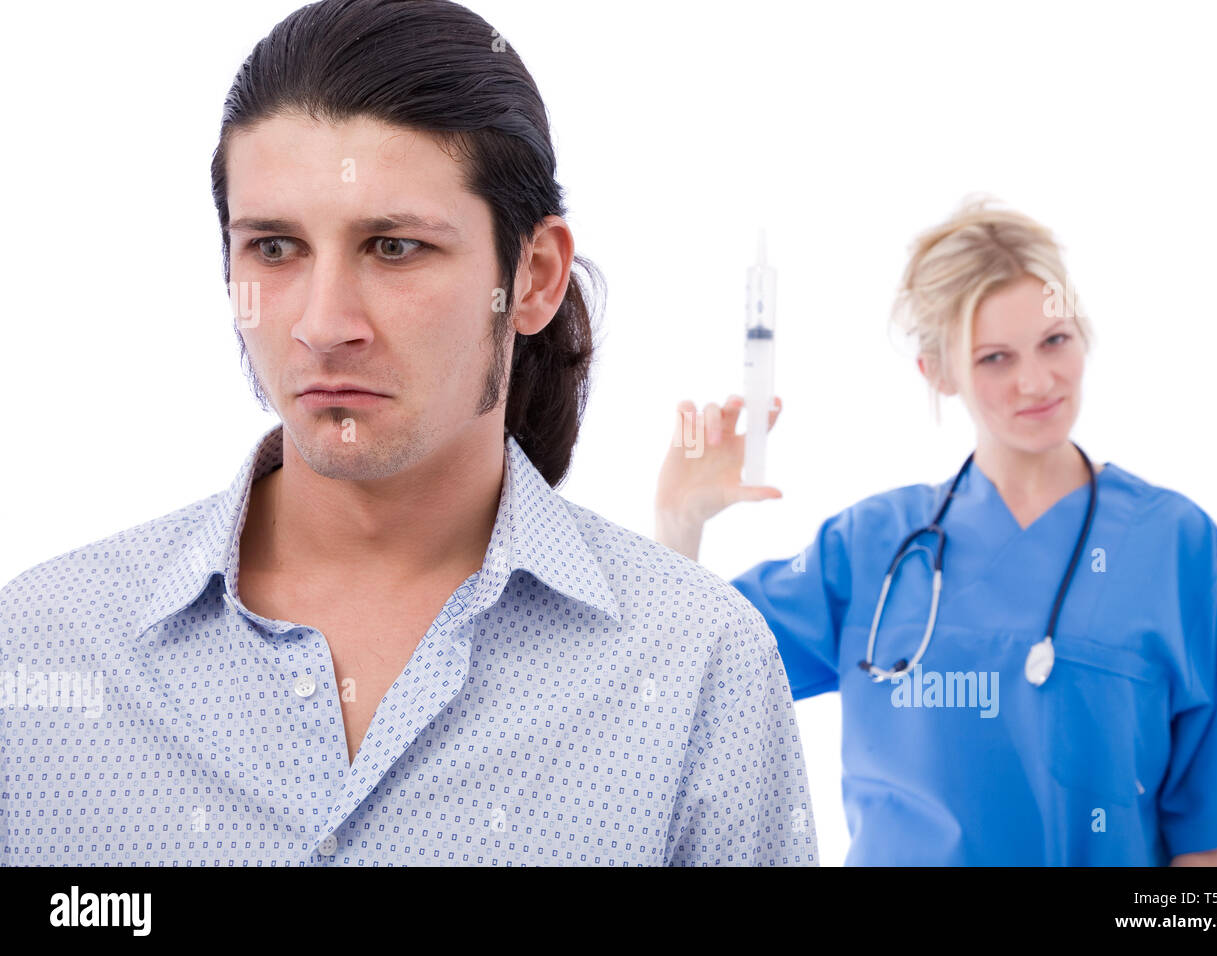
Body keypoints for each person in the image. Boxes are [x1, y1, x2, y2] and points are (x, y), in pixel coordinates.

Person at [0, 0, 816, 867]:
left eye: (392, 248)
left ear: (533, 277)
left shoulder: (701, 667)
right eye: (275, 248)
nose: (323, 324)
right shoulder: (41, 650)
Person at [655, 196, 1217, 866]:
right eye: (995, 357)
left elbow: (1213, 832)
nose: (1036, 381)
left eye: (1055, 341)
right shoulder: (868, 548)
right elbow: (687, 677)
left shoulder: (1176, 547)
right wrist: (680, 520)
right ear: (938, 370)